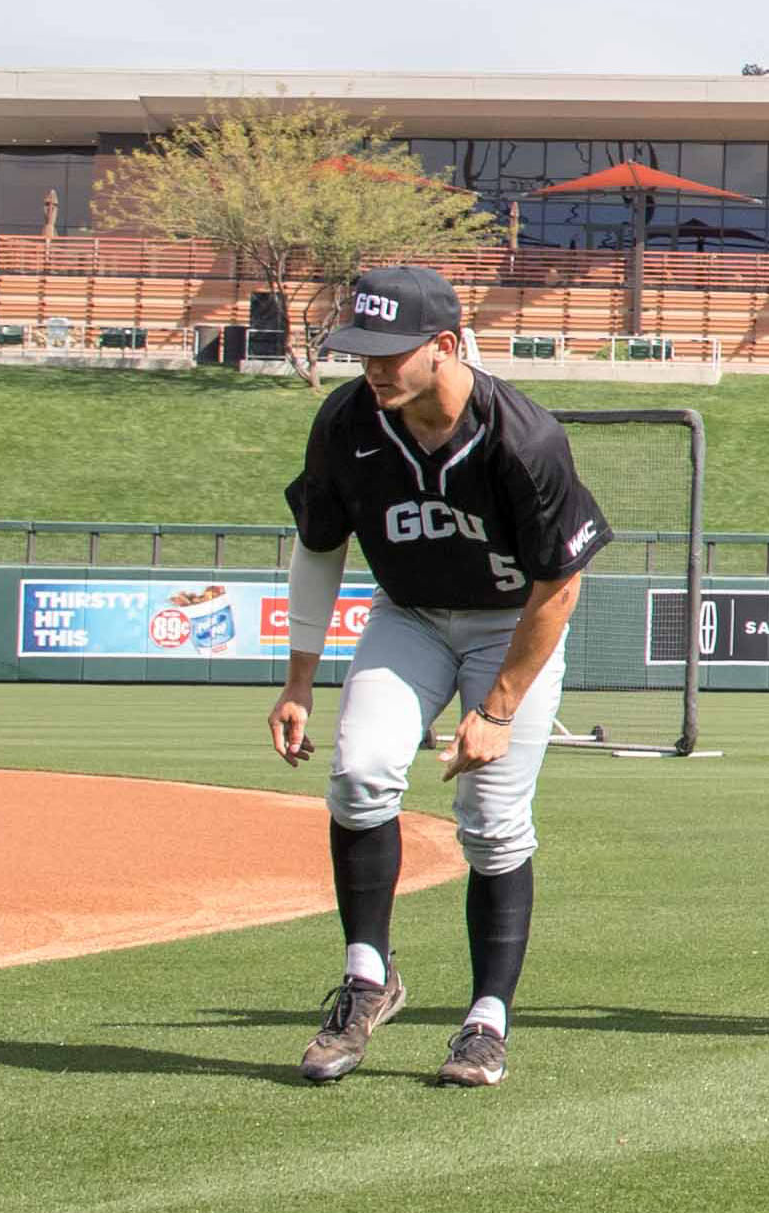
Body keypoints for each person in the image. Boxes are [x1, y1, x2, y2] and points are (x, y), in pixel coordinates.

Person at [260, 267, 604, 1086]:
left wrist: (497, 707)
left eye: (390, 352)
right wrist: (298, 680)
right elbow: (319, 546)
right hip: (409, 616)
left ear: (445, 346)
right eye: (361, 351)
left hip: (511, 627)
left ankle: (487, 1022)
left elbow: (560, 587)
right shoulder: (347, 423)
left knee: (490, 824)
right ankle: (367, 981)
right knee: (359, 776)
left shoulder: (525, 437)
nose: (372, 367)